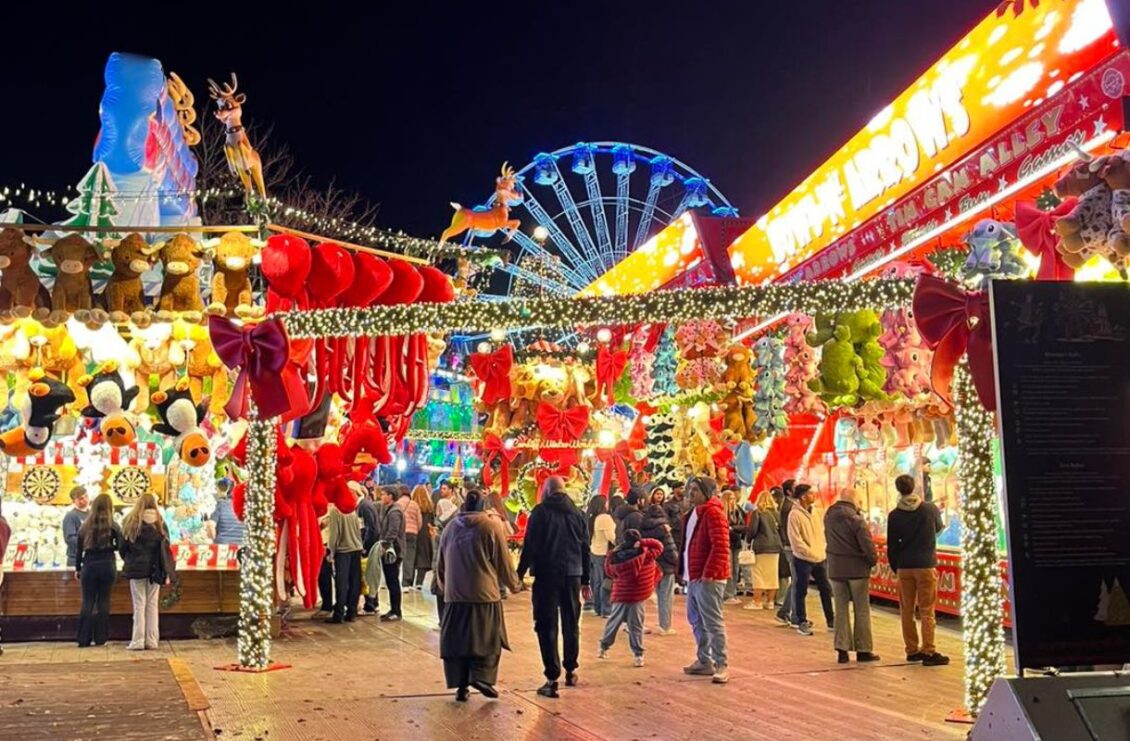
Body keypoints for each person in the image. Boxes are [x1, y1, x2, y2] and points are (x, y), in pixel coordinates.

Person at [436, 488, 522, 702]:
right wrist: (514, 584)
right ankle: (482, 677)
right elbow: (503, 560)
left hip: (455, 596)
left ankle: (461, 686)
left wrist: (445, 588)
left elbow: (440, 563)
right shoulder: (491, 526)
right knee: (488, 639)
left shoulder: (451, 528)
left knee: (458, 642)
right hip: (484, 595)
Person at [517, 476, 591, 698]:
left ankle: (552, 677)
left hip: (547, 576)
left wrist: (518, 574)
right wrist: (585, 579)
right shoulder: (578, 514)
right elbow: (585, 548)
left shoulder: (540, 513)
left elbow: (530, 545)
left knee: (546, 626)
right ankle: (570, 669)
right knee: (571, 623)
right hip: (573, 575)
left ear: (547, 491)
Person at [887, 474, 949, 666]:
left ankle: (912, 650)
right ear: (914, 487)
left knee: (907, 609)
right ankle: (929, 650)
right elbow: (939, 529)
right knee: (927, 609)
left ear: (898, 489)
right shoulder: (929, 509)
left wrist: (895, 566)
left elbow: (891, 545)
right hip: (926, 565)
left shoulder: (895, 514)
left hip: (905, 566)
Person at [678, 476, 731, 684]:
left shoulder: (713, 513)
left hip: (708, 578)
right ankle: (704, 660)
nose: (691, 493)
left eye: (695, 490)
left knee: (712, 622)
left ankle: (721, 664)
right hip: (694, 576)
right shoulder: (692, 513)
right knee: (696, 619)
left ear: (706, 492)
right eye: (689, 489)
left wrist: (709, 573)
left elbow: (720, 546)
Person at [825, 488, 880, 663]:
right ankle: (863, 650)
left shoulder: (828, 516)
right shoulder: (857, 520)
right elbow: (868, 547)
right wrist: (872, 560)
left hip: (835, 569)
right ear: (855, 501)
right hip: (857, 570)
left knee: (840, 610)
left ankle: (842, 649)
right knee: (861, 609)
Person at [598, 528, 663, 667]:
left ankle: (603, 648)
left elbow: (609, 572)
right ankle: (638, 655)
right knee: (636, 626)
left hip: (621, 594)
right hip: (638, 595)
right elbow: (659, 545)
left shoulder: (616, 556)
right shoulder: (647, 554)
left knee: (613, 622)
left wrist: (616, 550)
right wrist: (643, 542)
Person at [120, 493, 174, 650]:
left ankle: (137, 640)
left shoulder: (130, 522)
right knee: (152, 605)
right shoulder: (160, 522)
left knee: (139, 604)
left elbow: (123, 548)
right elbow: (167, 546)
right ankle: (152, 640)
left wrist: (129, 560)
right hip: (156, 569)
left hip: (136, 569)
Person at [787, 484, 834, 636]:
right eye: (810, 493)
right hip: (802, 558)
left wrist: (822, 549)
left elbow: (821, 533)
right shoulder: (794, 515)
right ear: (802, 496)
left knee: (826, 589)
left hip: (820, 556)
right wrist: (808, 552)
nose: (813, 495)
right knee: (801, 590)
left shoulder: (816, 513)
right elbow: (796, 539)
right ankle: (801, 620)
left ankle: (831, 619)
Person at [75, 493, 121, 647]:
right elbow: (121, 546)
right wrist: (110, 546)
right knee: (104, 601)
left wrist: (78, 568)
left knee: (87, 601)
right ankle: (101, 638)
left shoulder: (84, 526)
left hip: (89, 564)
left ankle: (83, 638)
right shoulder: (113, 526)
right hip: (108, 564)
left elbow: (78, 550)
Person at [639, 496, 679, 634]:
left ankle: (639, 623)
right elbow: (670, 548)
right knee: (665, 597)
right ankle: (665, 626)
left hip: (650, 566)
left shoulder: (643, 528)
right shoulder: (664, 530)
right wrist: (676, 562)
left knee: (643, 595)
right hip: (666, 567)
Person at [325, 492, 364, 624]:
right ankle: (351, 612)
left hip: (343, 552)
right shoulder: (352, 511)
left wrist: (331, 552)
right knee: (354, 582)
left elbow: (334, 535)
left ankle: (338, 613)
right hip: (356, 549)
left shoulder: (336, 512)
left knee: (341, 583)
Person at [744, 490, 782, 610]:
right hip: (775, 547)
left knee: (758, 574)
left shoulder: (758, 513)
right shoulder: (776, 514)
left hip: (761, 547)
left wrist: (748, 540)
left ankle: (757, 601)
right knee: (772, 575)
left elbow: (753, 529)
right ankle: (770, 602)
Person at [379, 487, 407, 621]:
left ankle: (396, 611)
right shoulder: (389, 510)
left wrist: (385, 545)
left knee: (393, 581)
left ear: (391, 496)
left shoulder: (395, 512)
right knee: (391, 581)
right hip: (391, 550)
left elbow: (393, 531)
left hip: (393, 552)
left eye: (384, 494)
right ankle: (393, 609)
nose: (381, 497)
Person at [587, 496, 616, 619]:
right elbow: (611, 537)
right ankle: (606, 609)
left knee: (596, 581)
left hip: (594, 550)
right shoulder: (605, 518)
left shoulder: (592, 518)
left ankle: (598, 607)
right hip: (603, 553)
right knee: (605, 582)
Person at [775, 479, 798, 625]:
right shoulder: (789, 507)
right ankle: (788, 612)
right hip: (791, 546)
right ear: (789, 491)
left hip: (789, 545)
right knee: (797, 580)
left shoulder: (787, 505)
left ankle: (787, 611)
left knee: (797, 580)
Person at [362, 486, 387, 615]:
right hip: (373, 544)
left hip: (370, 546)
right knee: (371, 574)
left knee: (368, 574)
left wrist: (365, 546)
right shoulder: (371, 505)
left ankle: (371, 603)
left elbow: (370, 528)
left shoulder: (364, 507)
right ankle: (373, 602)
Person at [722, 488, 747, 603]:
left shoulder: (738, 511)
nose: (733, 501)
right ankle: (727, 594)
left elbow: (744, 527)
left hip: (736, 543)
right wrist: (733, 529)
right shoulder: (722, 512)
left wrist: (733, 528)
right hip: (726, 543)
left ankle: (733, 592)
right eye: (730, 498)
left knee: (736, 569)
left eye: (733, 498)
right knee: (729, 568)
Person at [410, 485, 436, 589]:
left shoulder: (412, 505)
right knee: (423, 558)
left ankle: (409, 582)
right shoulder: (429, 506)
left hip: (414, 531)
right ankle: (419, 582)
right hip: (425, 533)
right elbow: (432, 521)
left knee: (411, 557)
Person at [400, 485, 424, 589]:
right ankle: (407, 582)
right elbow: (420, 521)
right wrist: (415, 529)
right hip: (412, 533)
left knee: (398, 557)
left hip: (400, 533)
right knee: (409, 557)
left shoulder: (397, 504)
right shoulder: (414, 504)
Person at [209, 479, 246, 546]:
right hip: (241, 547)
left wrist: (214, 540)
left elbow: (211, 525)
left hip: (222, 545)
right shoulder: (247, 509)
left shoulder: (221, 505)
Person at [62, 486, 90, 570]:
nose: (85, 500)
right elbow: (70, 538)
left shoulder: (92, 514)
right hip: (75, 560)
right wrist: (88, 542)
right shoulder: (71, 516)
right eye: (81, 498)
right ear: (74, 501)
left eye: (86, 496)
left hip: (90, 558)